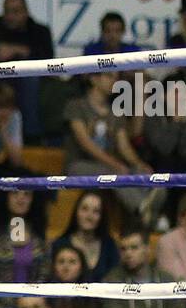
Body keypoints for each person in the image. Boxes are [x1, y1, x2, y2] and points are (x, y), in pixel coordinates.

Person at [63, 71, 163, 228]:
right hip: (79, 165)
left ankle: (149, 205)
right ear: (94, 78)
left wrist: (139, 164)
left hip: (109, 166)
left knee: (141, 173)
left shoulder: (115, 112)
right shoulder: (77, 106)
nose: (114, 81)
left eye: (116, 78)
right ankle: (142, 208)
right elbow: (85, 143)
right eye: (109, 76)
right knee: (115, 174)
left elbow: (124, 146)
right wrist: (115, 164)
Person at [0, 0, 54, 141]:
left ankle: (31, 136)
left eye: (15, 11)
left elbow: (48, 59)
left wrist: (16, 50)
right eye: (7, 11)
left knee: (31, 79)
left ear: (26, 11)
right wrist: (25, 52)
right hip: (3, 78)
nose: (11, 16)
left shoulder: (40, 31)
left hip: (35, 79)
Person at [0, 188, 49, 286]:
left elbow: (45, 273)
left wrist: (34, 296)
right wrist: (17, 300)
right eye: (15, 193)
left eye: (27, 194)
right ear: (4, 197)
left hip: (34, 299)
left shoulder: (38, 233)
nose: (21, 198)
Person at [52, 190, 119, 280]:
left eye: (96, 211)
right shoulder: (59, 244)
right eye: (84, 209)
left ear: (102, 216)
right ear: (76, 212)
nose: (89, 216)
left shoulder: (109, 246)